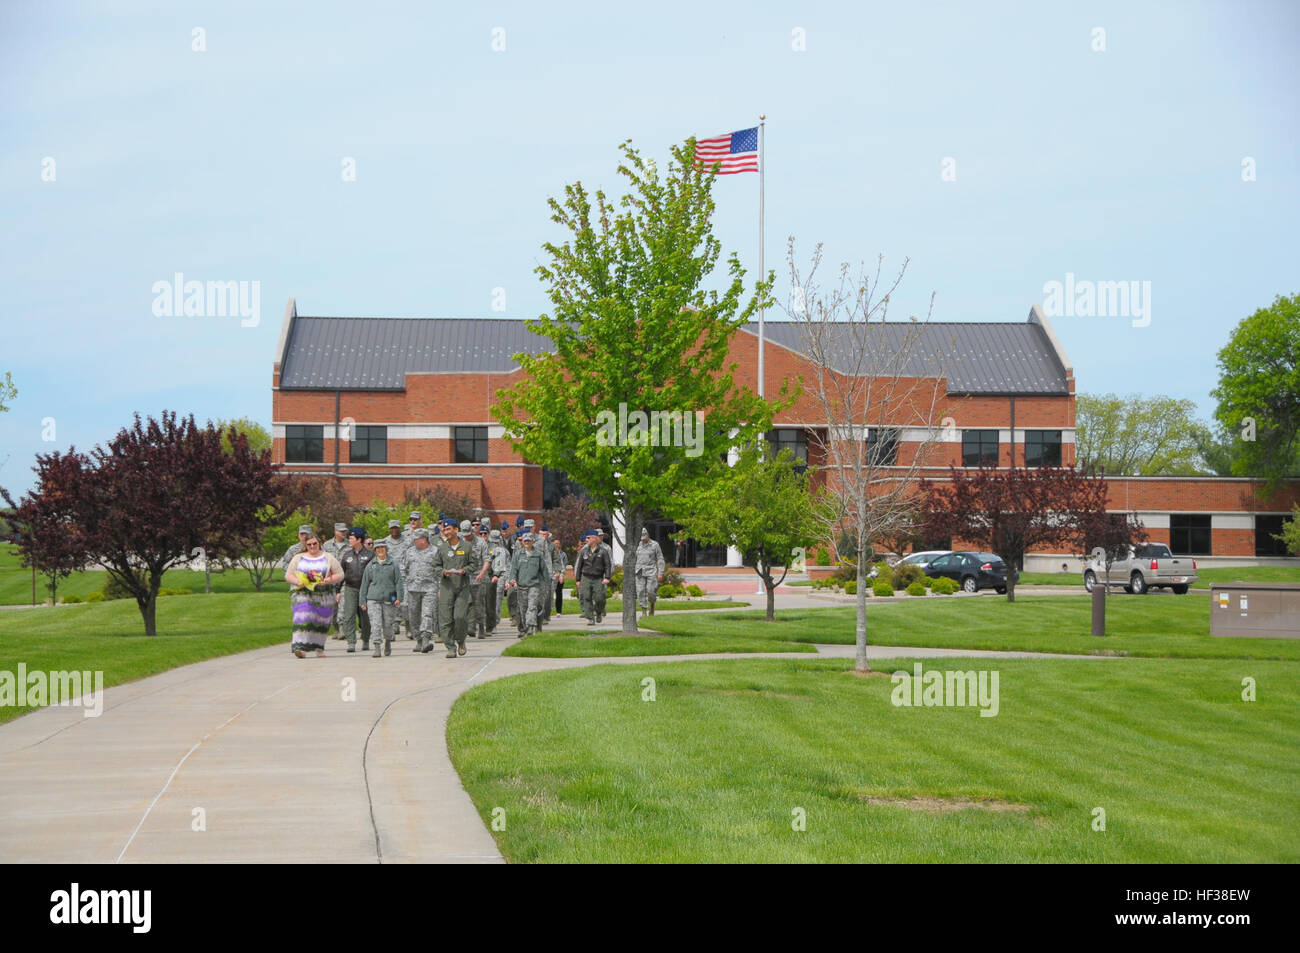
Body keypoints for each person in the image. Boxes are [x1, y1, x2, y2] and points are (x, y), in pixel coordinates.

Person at [284, 535, 344, 658]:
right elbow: (288, 575)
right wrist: (297, 582)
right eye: (309, 544)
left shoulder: (328, 557)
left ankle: (318, 647)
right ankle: (299, 647)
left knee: (321, 621)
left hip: (324, 594)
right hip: (303, 593)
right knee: (303, 616)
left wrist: (328, 580)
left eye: (314, 543)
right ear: (305, 545)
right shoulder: (298, 558)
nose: (312, 546)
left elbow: (340, 574)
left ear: (319, 543)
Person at [432, 520, 477, 657]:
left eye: (449, 529)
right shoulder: (442, 548)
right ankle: (450, 647)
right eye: (445, 530)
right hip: (447, 587)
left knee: (460, 617)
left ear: (456, 530)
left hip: (462, 587)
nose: (446, 532)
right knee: (445, 620)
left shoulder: (467, 546)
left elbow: (474, 564)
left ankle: (461, 640)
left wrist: (465, 570)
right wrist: (443, 572)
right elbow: (435, 566)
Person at [359, 538, 402, 657]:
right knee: (375, 623)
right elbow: (364, 584)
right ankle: (377, 646)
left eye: (382, 547)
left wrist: (399, 597)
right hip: (373, 599)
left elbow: (398, 582)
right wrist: (362, 601)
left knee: (388, 623)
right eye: (378, 548)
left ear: (386, 549)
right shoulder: (370, 565)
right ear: (375, 550)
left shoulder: (393, 564)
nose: (380, 550)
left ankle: (388, 641)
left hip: (389, 598)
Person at [402, 527, 441, 653]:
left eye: (416, 539)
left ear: (424, 539)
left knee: (427, 614)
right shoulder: (409, 552)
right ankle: (418, 639)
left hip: (430, 588)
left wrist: (440, 588)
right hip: (412, 588)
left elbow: (440, 571)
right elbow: (403, 569)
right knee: (413, 616)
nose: (414, 541)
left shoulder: (435, 551)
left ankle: (425, 639)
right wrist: (404, 586)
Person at [338, 527, 375, 653]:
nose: (349, 540)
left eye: (352, 538)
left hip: (366, 590)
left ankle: (365, 639)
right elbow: (341, 573)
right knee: (349, 615)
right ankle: (351, 642)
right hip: (350, 588)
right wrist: (337, 590)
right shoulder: (347, 555)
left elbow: (375, 573)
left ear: (359, 539)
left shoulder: (370, 555)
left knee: (365, 617)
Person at [504, 532, 546, 637]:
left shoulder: (538, 555)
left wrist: (547, 585)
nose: (527, 542)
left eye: (529, 541)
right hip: (521, 586)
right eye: (525, 541)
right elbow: (513, 569)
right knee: (523, 609)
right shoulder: (518, 554)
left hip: (534, 585)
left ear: (532, 542)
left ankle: (530, 627)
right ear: (522, 542)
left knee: (532, 607)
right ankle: (525, 627)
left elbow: (544, 571)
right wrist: (512, 580)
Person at [573, 530, 612, 625]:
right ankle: (590, 618)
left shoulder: (603, 551)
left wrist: (607, 577)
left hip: (598, 578)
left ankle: (598, 612)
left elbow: (607, 565)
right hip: (586, 577)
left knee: (600, 598)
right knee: (586, 597)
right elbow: (579, 566)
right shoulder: (583, 551)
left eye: (588, 538)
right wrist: (578, 579)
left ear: (594, 538)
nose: (586, 540)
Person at [323, 522, 350, 638]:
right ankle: (336, 628)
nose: (343, 533)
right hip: (331, 579)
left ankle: (342, 627)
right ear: (335, 532)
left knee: (343, 603)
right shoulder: (326, 545)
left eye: (345, 531)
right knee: (333, 605)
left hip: (345, 578)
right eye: (341, 531)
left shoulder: (350, 545)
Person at [635, 527, 666, 617]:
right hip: (639, 571)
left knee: (651, 590)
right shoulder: (637, 544)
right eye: (642, 538)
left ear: (648, 535)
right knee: (640, 591)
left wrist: (661, 572)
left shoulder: (655, 545)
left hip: (651, 570)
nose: (643, 540)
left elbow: (660, 558)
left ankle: (652, 604)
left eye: (645, 537)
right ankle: (644, 611)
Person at [468, 523, 492, 638]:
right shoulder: (461, 542)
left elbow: (487, 560)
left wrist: (482, 573)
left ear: (473, 532)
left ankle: (481, 627)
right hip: (466, 578)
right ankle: (471, 627)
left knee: (479, 603)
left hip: (479, 577)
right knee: (468, 603)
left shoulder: (481, 543)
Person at [487, 529, 510, 634]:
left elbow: (508, 566)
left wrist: (507, 580)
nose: (495, 543)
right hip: (488, 576)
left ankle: (494, 623)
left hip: (500, 577)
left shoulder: (504, 551)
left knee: (497, 600)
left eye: (497, 541)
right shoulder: (486, 549)